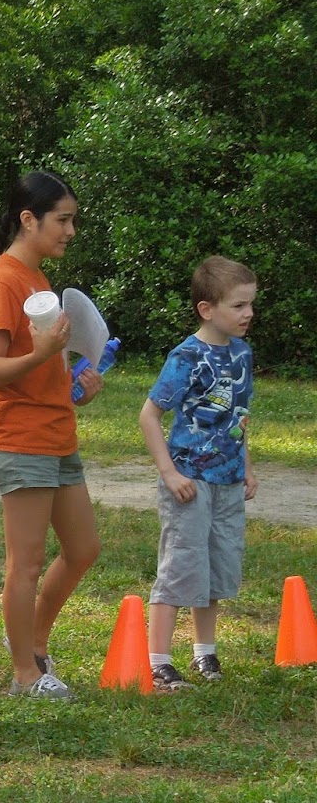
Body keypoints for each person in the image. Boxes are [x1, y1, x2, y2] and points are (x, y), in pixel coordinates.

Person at [0, 171, 103, 700]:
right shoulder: (2, 282)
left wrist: (77, 386)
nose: (70, 231)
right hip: (20, 440)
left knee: (84, 548)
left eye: (73, 220)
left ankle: (33, 646)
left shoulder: (41, 282)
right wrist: (47, 354)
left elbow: (42, 369)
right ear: (29, 219)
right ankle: (25, 676)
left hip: (57, 434)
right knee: (24, 562)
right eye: (63, 220)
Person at [139, 256, 257, 689]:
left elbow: (238, 417)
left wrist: (246, 466)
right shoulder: (186, 356)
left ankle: (204, 654)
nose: (248, 314)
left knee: (215, 567)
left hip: (227, 482)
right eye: (239, 306)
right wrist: (170, 473)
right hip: (189, 481)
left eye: (250, 305)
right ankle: (158, 660)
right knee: (182, 567)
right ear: (207, 309)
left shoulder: (242, 353)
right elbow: (149, 415)